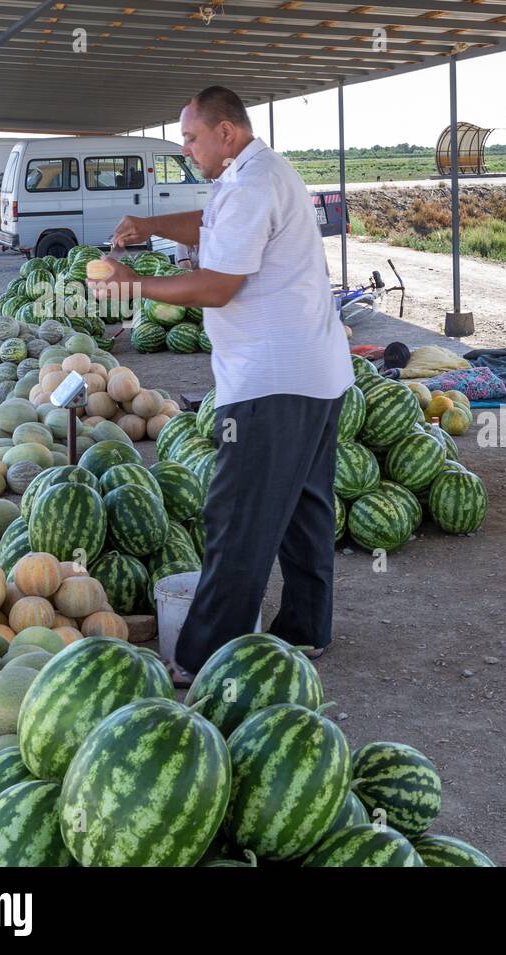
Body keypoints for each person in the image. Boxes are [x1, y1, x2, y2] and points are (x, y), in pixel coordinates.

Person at [88, 85, 352, 682]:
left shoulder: (254, 182)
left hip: (273, 382)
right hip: (314, 372)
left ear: (226, 133)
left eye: (190, 138)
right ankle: (305, 629)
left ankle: (202, 655)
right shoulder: (250, 175)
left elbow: (218, 285)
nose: (186, 149)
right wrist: (148, 225)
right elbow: (209, 220)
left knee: (236, 515)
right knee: (304, 508)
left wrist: (134, 284)